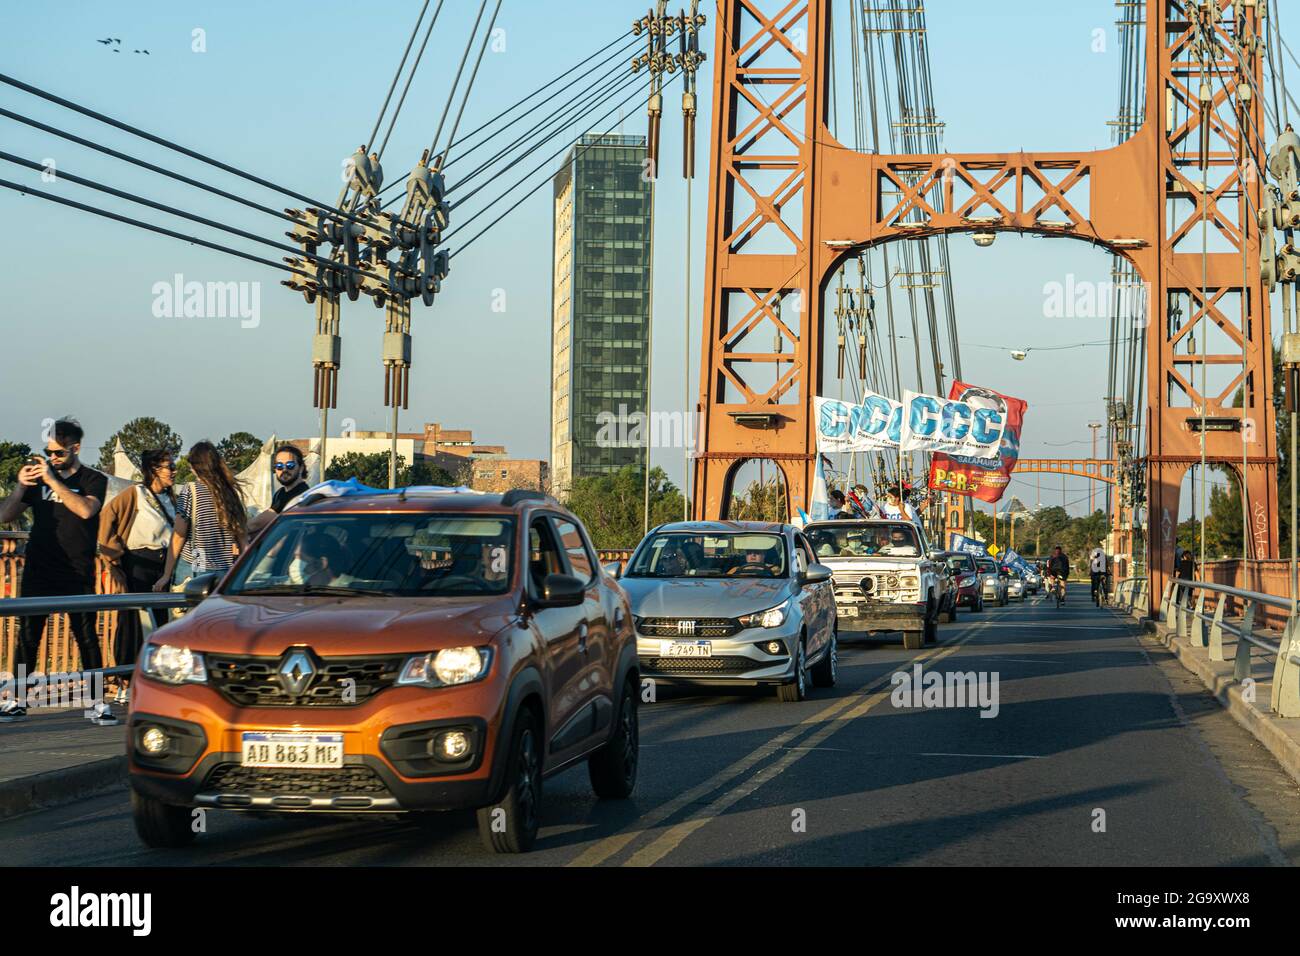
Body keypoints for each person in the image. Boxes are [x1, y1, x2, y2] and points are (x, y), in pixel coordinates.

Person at [0, 418, 107, 720]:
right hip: (39, 568)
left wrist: (52, 481)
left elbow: (86, 509)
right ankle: (18, 699)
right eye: (48, 453)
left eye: (59, 453)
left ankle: (97, 702)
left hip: (76, 570)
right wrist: (21, 486)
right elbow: (6, 516)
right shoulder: (37, 481)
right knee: (27, 637)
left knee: (87, 638)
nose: (52, 459)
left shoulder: (92, 479)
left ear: (75, 448)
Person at [98, 449, 177, 703]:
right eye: (169, 467)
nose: (174, 471)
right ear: (154, 469)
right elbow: (107, 517)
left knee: (159, 625)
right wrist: (113, 556)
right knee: (132, 622)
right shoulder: (135, 494)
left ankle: (152, 682)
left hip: (163, 567)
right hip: (138, 562)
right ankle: (125, 681)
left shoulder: (172, 500)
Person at [154, 441, 247, 591]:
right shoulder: (230, 493)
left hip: (197, 565)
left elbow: (179, 535)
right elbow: (242, 538)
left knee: (189, 613)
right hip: (225, 570)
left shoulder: (191, 490)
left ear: (195, 466)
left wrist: (166, 574)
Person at [247, 444, 310, 536]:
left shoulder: (300, 494)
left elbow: (257, 524)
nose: (284, 469)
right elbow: (267, 527)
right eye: (279, 466)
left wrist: (240, 530)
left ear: (301, 468)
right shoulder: (280, 493)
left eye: (290, 465)